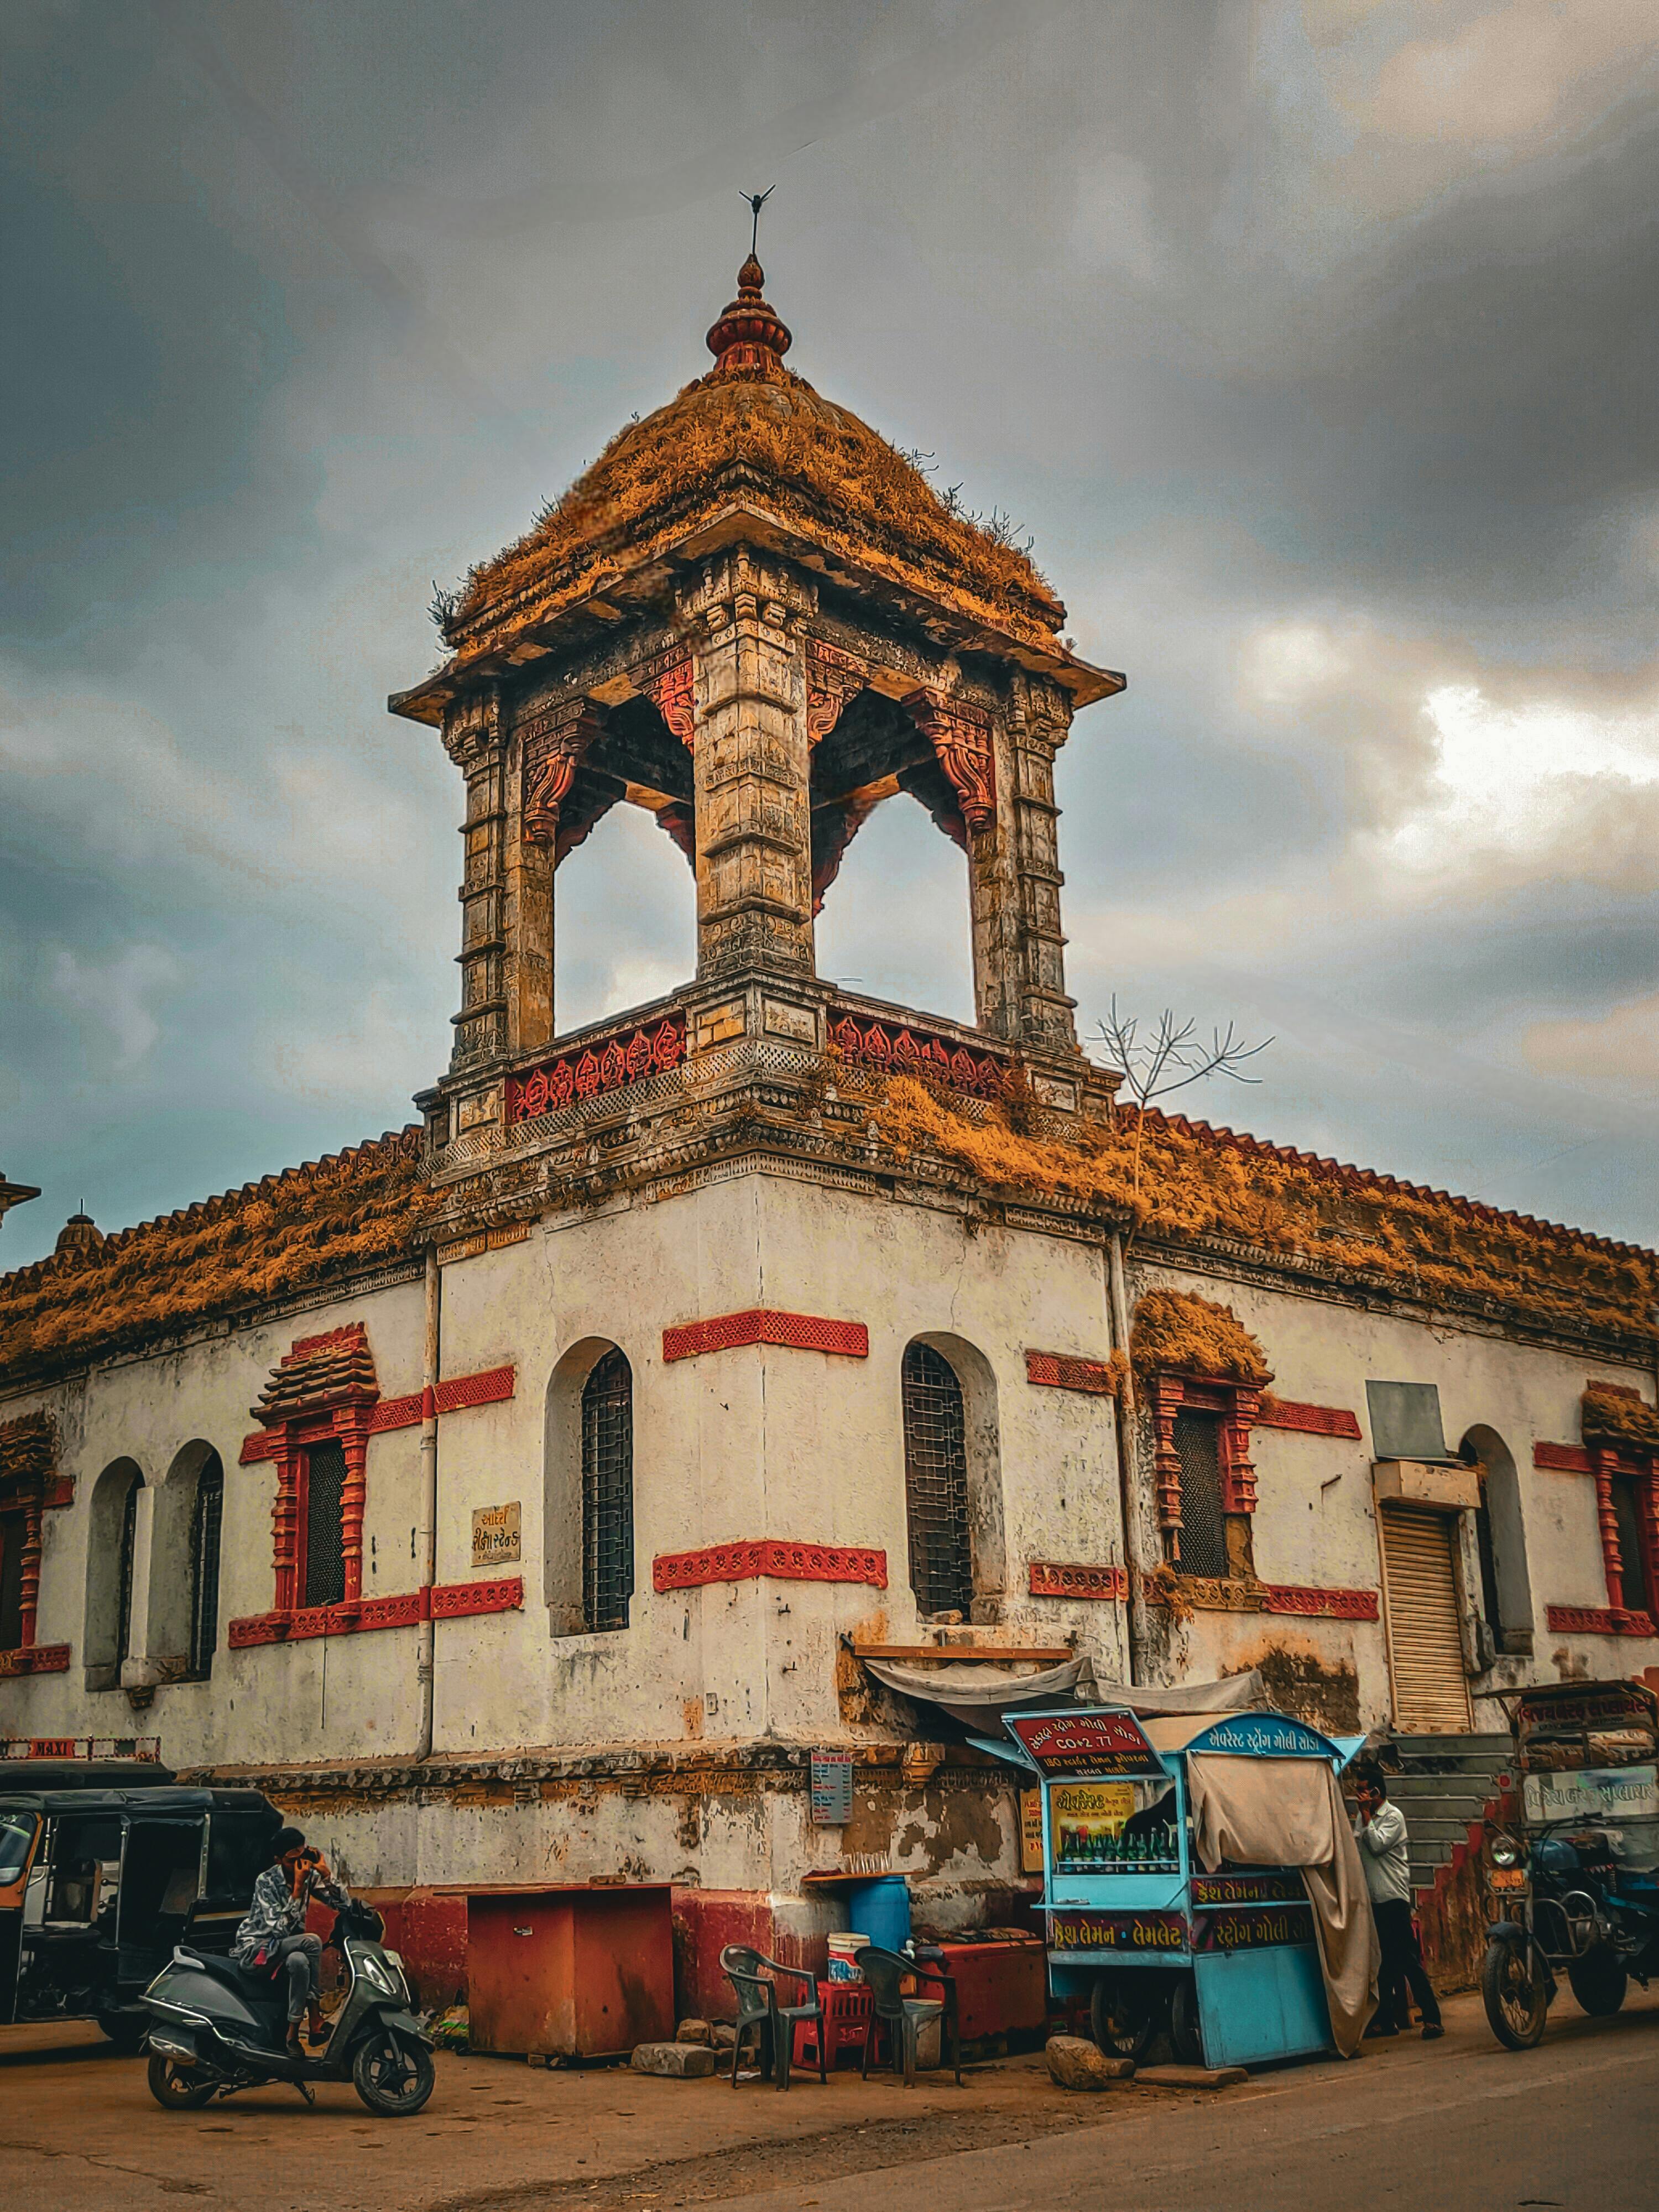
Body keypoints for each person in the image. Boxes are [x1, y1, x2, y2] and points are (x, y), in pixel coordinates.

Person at [233, 1827, 351, 2057]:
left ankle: (292, 2034)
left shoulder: (309, 1876)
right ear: (278, 1860)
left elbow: (343, 1905)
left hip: (287, 1951)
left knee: (299, 1961)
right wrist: (297, 1890)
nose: (299, 1866)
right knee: (312, 1942)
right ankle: (315, 2018)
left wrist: (326, 1873)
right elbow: (277, 1931)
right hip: (258, 1950)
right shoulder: (266, 1882)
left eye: (303, 1858)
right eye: (291, 1860)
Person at [1353, 1770, 1444, 2041]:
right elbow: (1358, 1845)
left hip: (1393, 1896)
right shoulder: (1362, 1817)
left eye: (1363, 1790)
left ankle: (1432, 2018)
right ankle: (1385, 2019)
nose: (1359, 1795)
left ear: (1376, 1793)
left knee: (1407, 1959)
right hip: (1374, 1897)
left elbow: (1378, 1845)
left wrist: (1367, 1816)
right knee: (1384, 1963)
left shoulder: (1393, 1817)